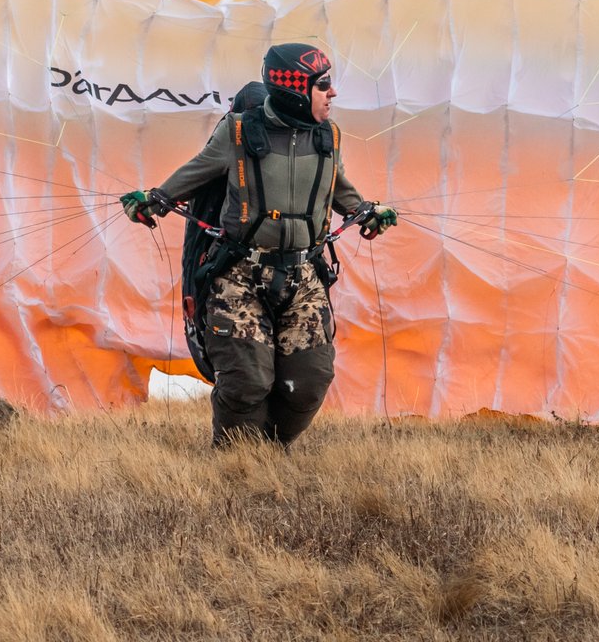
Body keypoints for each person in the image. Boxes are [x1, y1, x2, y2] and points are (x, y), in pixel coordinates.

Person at [121, 42, 397, 446]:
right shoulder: (237, 133)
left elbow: (338, 189)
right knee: (247, 380)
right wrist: (153, 200)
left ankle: (274, 448)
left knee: (310, 379)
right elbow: (194, 173)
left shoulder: (329, 138)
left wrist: (367, 212)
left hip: (304, 276)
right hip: (239, 275)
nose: (332, 93)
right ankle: (239, 461)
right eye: (322, 86)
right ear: (293, 90)